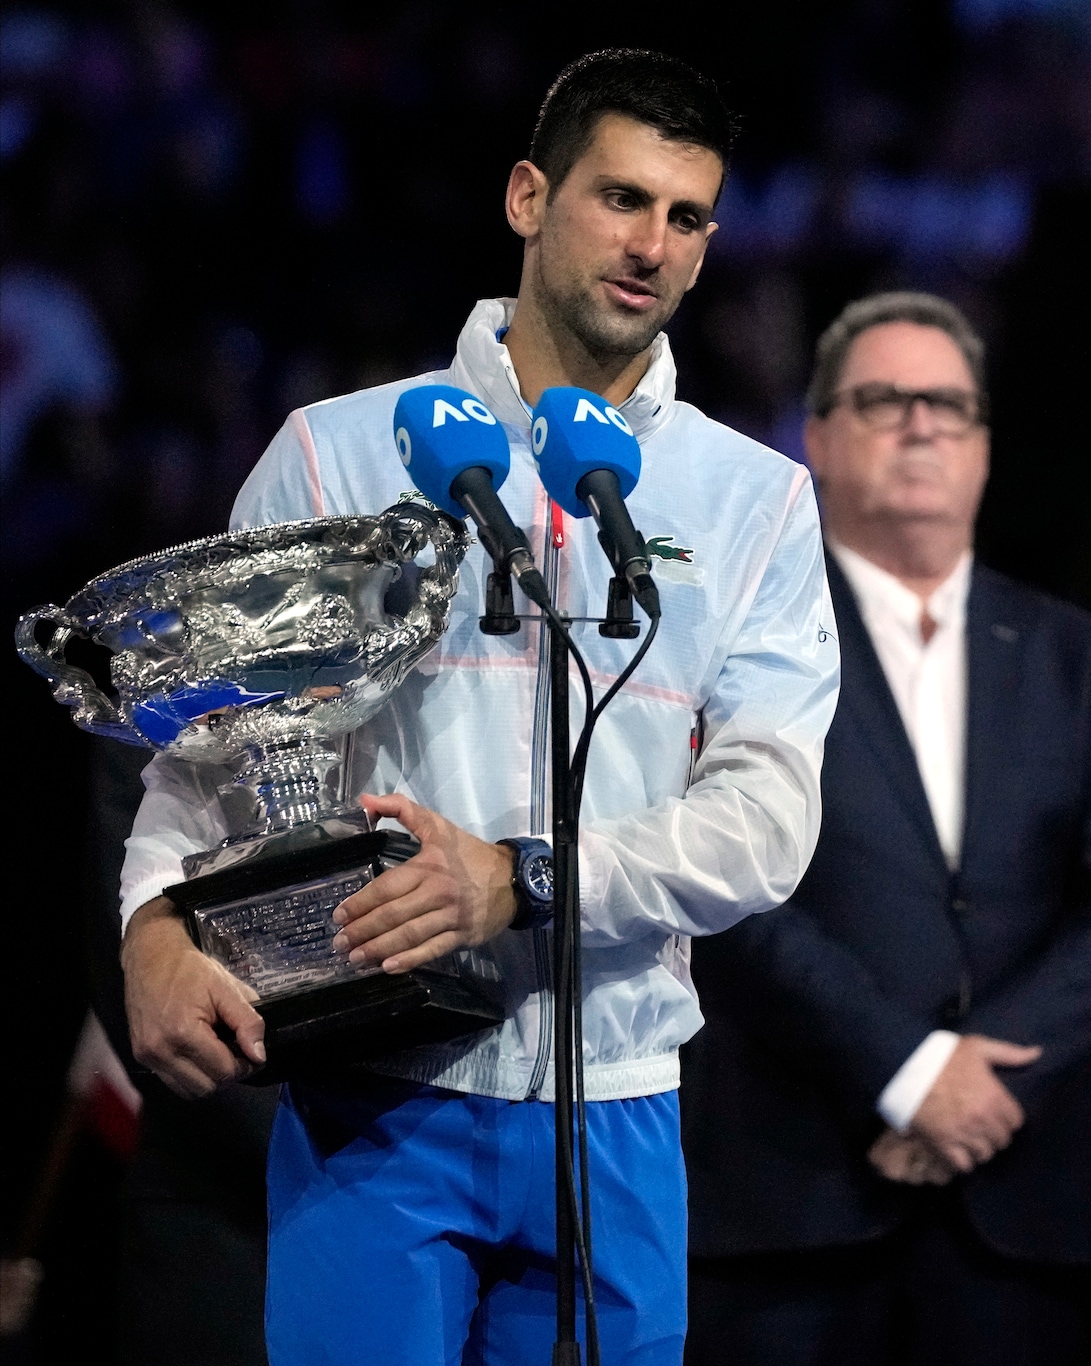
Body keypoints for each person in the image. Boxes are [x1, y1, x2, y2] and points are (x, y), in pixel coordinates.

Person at [113, 49, 839, 1365]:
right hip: (376, 1098)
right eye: (621, 199)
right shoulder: (337, 451)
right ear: (526, 197)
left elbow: (769, 820)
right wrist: (156, 924)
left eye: (686, 218)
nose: (652, 246)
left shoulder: (758, 502)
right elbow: (208, 744)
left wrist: (524, 878)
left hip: (616, 1103)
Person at [680, 292, 1091, 1366]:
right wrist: (905, 1069)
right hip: (791, 1200)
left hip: (1024, 1205)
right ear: (815, 436)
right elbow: (719, 880)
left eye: (947, 403)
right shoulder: (741, 641)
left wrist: (984, 1083)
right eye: (885, 399)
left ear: (985, 443)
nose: (920, 424)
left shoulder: (1068, 651)